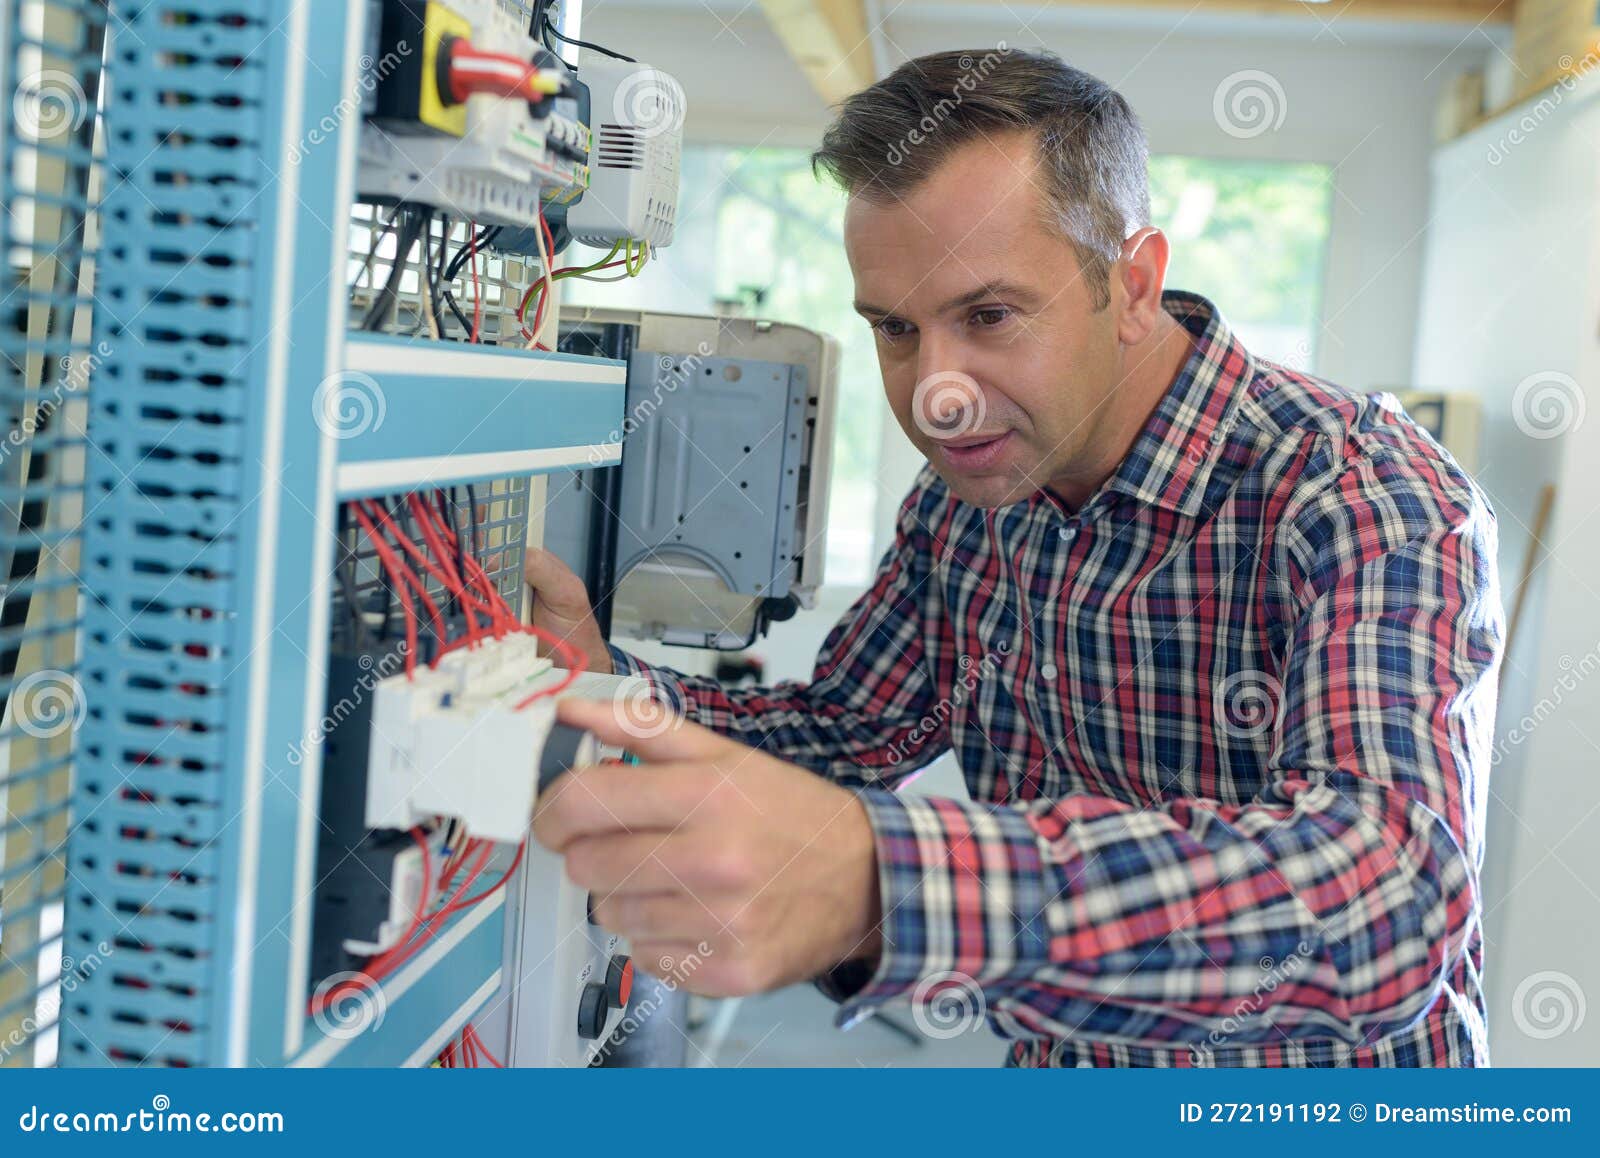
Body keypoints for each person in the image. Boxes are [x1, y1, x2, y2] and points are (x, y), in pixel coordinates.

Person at [526, 49, 1502, 1067]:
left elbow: (1388, 906)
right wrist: (601, 680)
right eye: (895, 330)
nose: (934, 393)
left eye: (988, 316)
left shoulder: (1363, 492)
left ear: (1132, 284)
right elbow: (844, 733)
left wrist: (881, 882)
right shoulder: (971, 500)